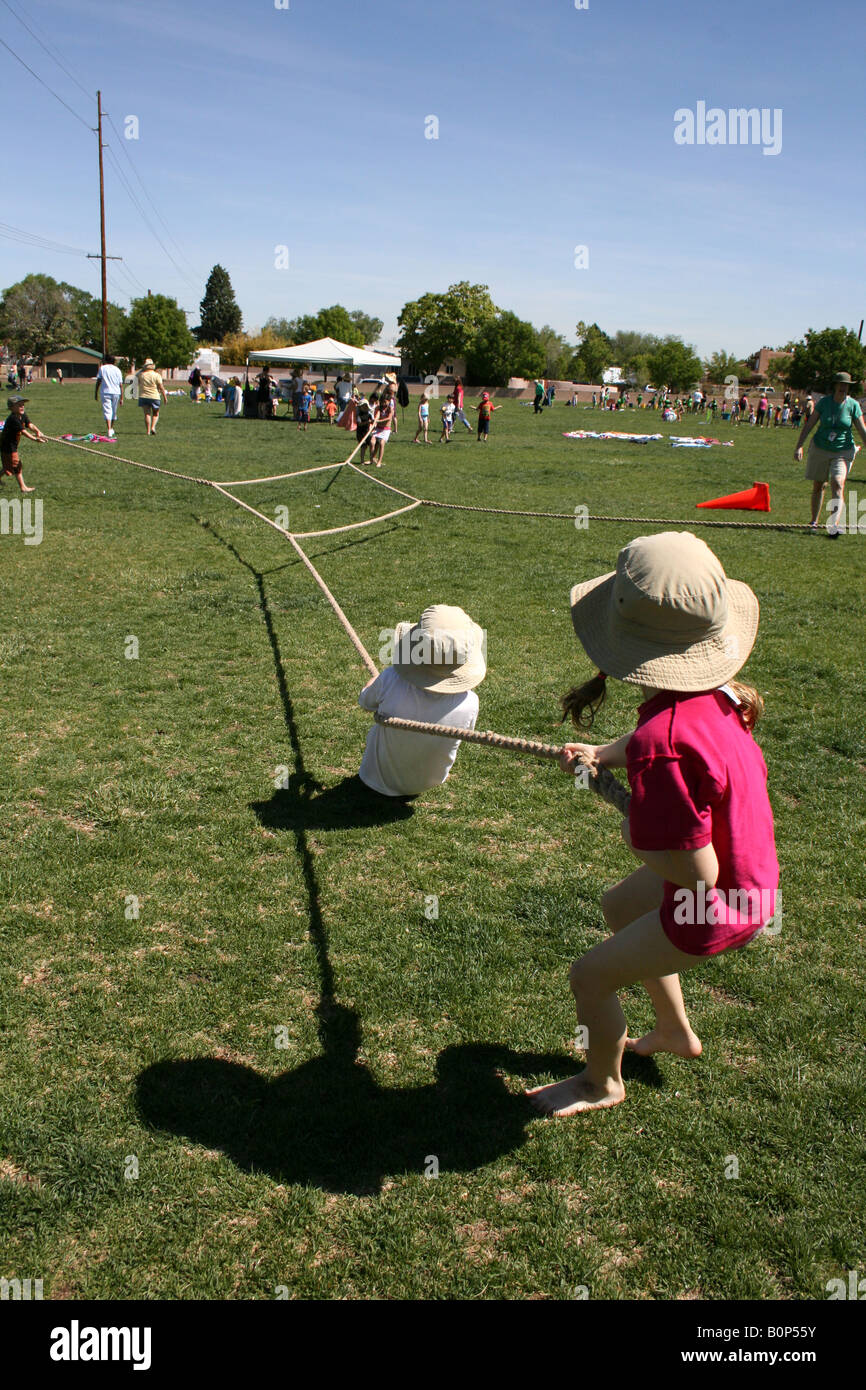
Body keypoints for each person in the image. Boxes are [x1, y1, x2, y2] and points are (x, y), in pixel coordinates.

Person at [527, 531, 777, 1117]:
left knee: (590, 977)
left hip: (715, 904)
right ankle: (673, 1031)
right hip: (751, 879)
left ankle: (600, 1083)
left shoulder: (665, 745)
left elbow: (696, 875)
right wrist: (605, 755)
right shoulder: (713, 697)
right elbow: (653, 741)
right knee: (620, 908)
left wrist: (633, 827)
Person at [357, 604, 485, 798]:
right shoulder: (470, 702)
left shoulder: (391, 679)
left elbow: (365, 701)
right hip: (429, 781)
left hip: (375, 779)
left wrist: (375, 682)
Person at [795, 371, 866, 534]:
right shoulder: (823, 403)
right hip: (820, 447)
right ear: (835, 385)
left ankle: (834, 524)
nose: (843, 387)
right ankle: (814, 522)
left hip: (843, 450)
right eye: (840, 384)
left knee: (837, 482)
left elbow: (862, 429)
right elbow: (810, 424)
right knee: (819, 484)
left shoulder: (853, 405)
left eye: (846, 385)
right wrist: (799, 445)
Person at [1, 395, 45, 492]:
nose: (22, 407)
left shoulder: (22, 415)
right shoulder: (13, 419)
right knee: (17, 465)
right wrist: (35, 439)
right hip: (8, 446)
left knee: (8, 466)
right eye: (19, 405)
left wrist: (38, 431)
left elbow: (30, 424)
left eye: (23, 405)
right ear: (12, 408)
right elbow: (23, 432)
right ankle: (23, 488)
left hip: (12, 445)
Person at [135, 358, 167, 435]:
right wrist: (165, 397)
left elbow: (136, 377)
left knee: (147, 414)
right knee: (155, 414)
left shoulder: (141, 374)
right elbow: (161, 387)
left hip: (143, 396)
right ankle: (153, 427)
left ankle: (148, 431)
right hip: (154, 396)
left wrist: (142, 369)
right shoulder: (156, 375)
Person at [95, 354, 123, 438]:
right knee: (114, 411)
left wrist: (95, 392)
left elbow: (99, 381)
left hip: (105, 391)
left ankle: (109, 428)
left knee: (107, 410)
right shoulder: (117, 370)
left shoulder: (102, 368)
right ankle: (111, 428)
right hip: (116, 392)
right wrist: (122, 397)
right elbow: (120, 384)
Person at [371, 386, 396, 466]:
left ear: (389, 401)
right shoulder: (378, 407)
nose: (384, 404)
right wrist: (375, 421)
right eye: (382, 402)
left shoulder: (390, 409)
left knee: (381, 443)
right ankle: (372, 459)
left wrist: (378, 421)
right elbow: (377, 416)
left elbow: (389, 418)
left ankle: (379, 462)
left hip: (386, 430)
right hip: (378, 428)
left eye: (385, 402)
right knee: (372, 442)